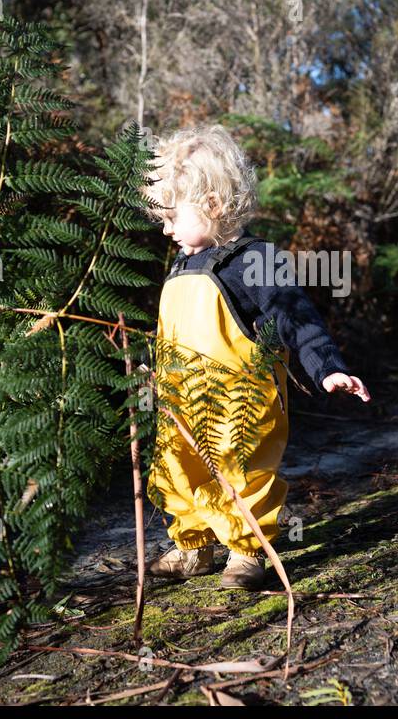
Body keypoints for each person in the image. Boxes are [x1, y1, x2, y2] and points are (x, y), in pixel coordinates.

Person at [140, 124, 370, 590]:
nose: (164, 229)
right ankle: (192, 544)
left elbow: (299, 319)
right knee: (173, 464)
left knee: (241, 469)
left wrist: (329, 368)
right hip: (180, 398)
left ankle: (246, 550)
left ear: (212, 205)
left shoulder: (255, 261)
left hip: (240, 402)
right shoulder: (182, 264)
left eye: (170, 216)